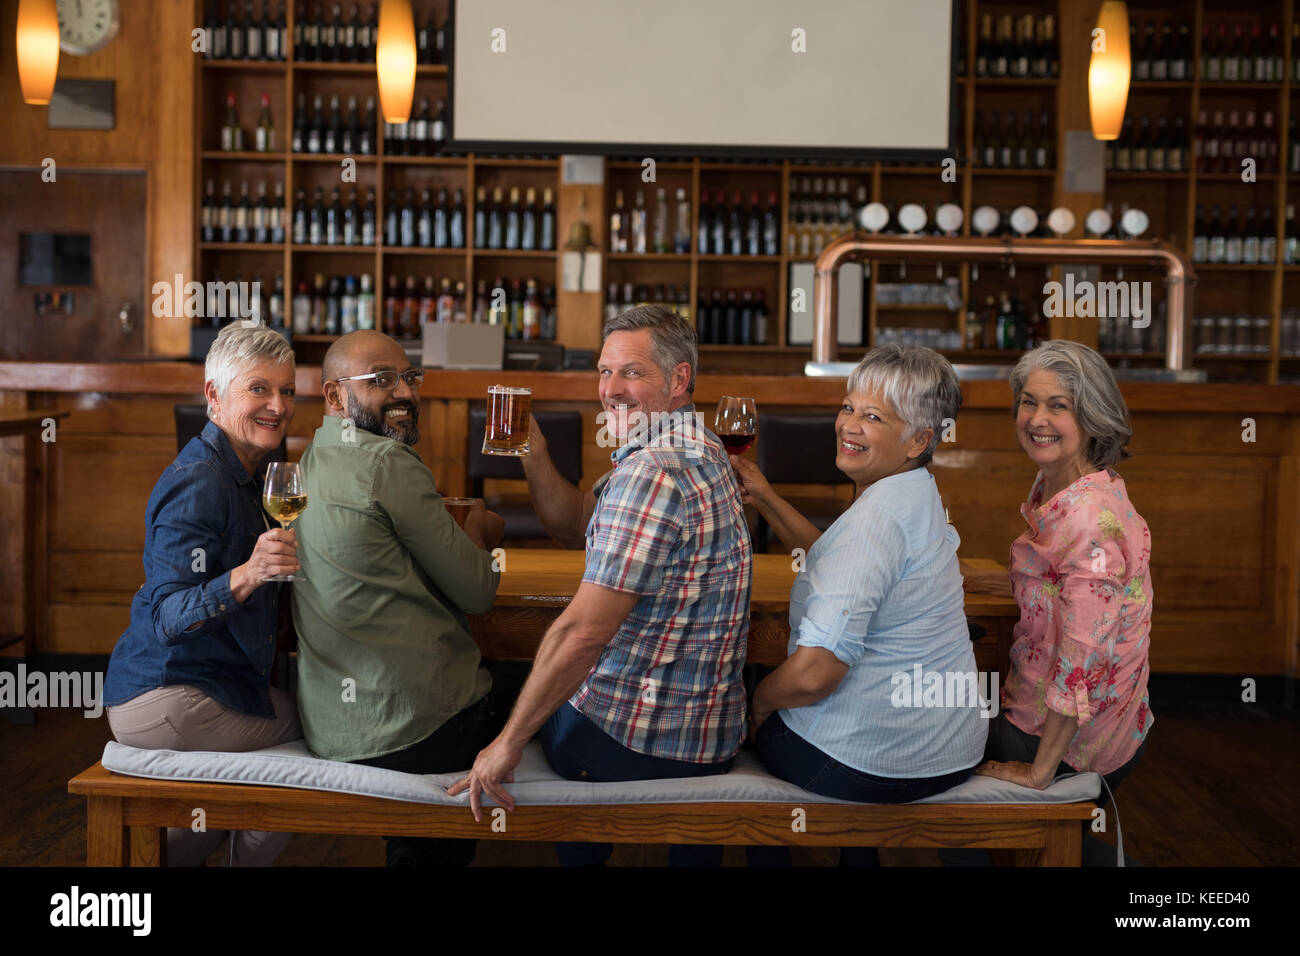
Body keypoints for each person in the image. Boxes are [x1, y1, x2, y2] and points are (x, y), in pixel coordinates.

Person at [449, 305, 752, 867]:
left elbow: (584, 633)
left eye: (631, 373)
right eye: (605, 371)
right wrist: (533, 451)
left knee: (488, 701)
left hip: (646, 740)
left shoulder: (653, 472)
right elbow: (574, 525)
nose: (610, 389)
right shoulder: (697, 445)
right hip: (707, 725)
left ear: (678, 379)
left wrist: (507, 743)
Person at [732, 344, 987, 866]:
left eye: (872, 416)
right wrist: (765, 497)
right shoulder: (915, 493)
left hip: (878, 765)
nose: (848, 424)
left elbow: (812, 676)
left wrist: (757, 705)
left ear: (919, 439)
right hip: (949, 749)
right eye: (848, 406)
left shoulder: (876, 521)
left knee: (739, 737)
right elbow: (831, 559)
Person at [291, 329, 505, 867]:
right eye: (381, 380)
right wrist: (478, 529)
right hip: (410, 728)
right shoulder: (387, 464)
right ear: (335, 396)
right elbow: (479, 591)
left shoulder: (312, 458)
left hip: (333, 724)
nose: (404, 392)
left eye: (410, 377)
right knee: (540, 691)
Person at [103, 323, 302, 866]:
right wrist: (248, 573)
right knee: (315, 743)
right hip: (165, 693)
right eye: (258, 389)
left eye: (287, 391)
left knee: (224, 803)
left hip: (191, 686)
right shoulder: (201, 480)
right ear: (214, 395)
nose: (277, 406)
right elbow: (168, 616)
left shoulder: (242, 474)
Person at [972, 340, 1152, 866]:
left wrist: (1037, 774)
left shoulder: (1088, 519)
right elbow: (1071, 597)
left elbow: (1083, 660)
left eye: (1058, 406)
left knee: (922, 770)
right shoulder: (1072, 486)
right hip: (1101, 719)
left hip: (1071, 742)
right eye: (1028, 402)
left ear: (1093, 418)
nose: (1037, 418)